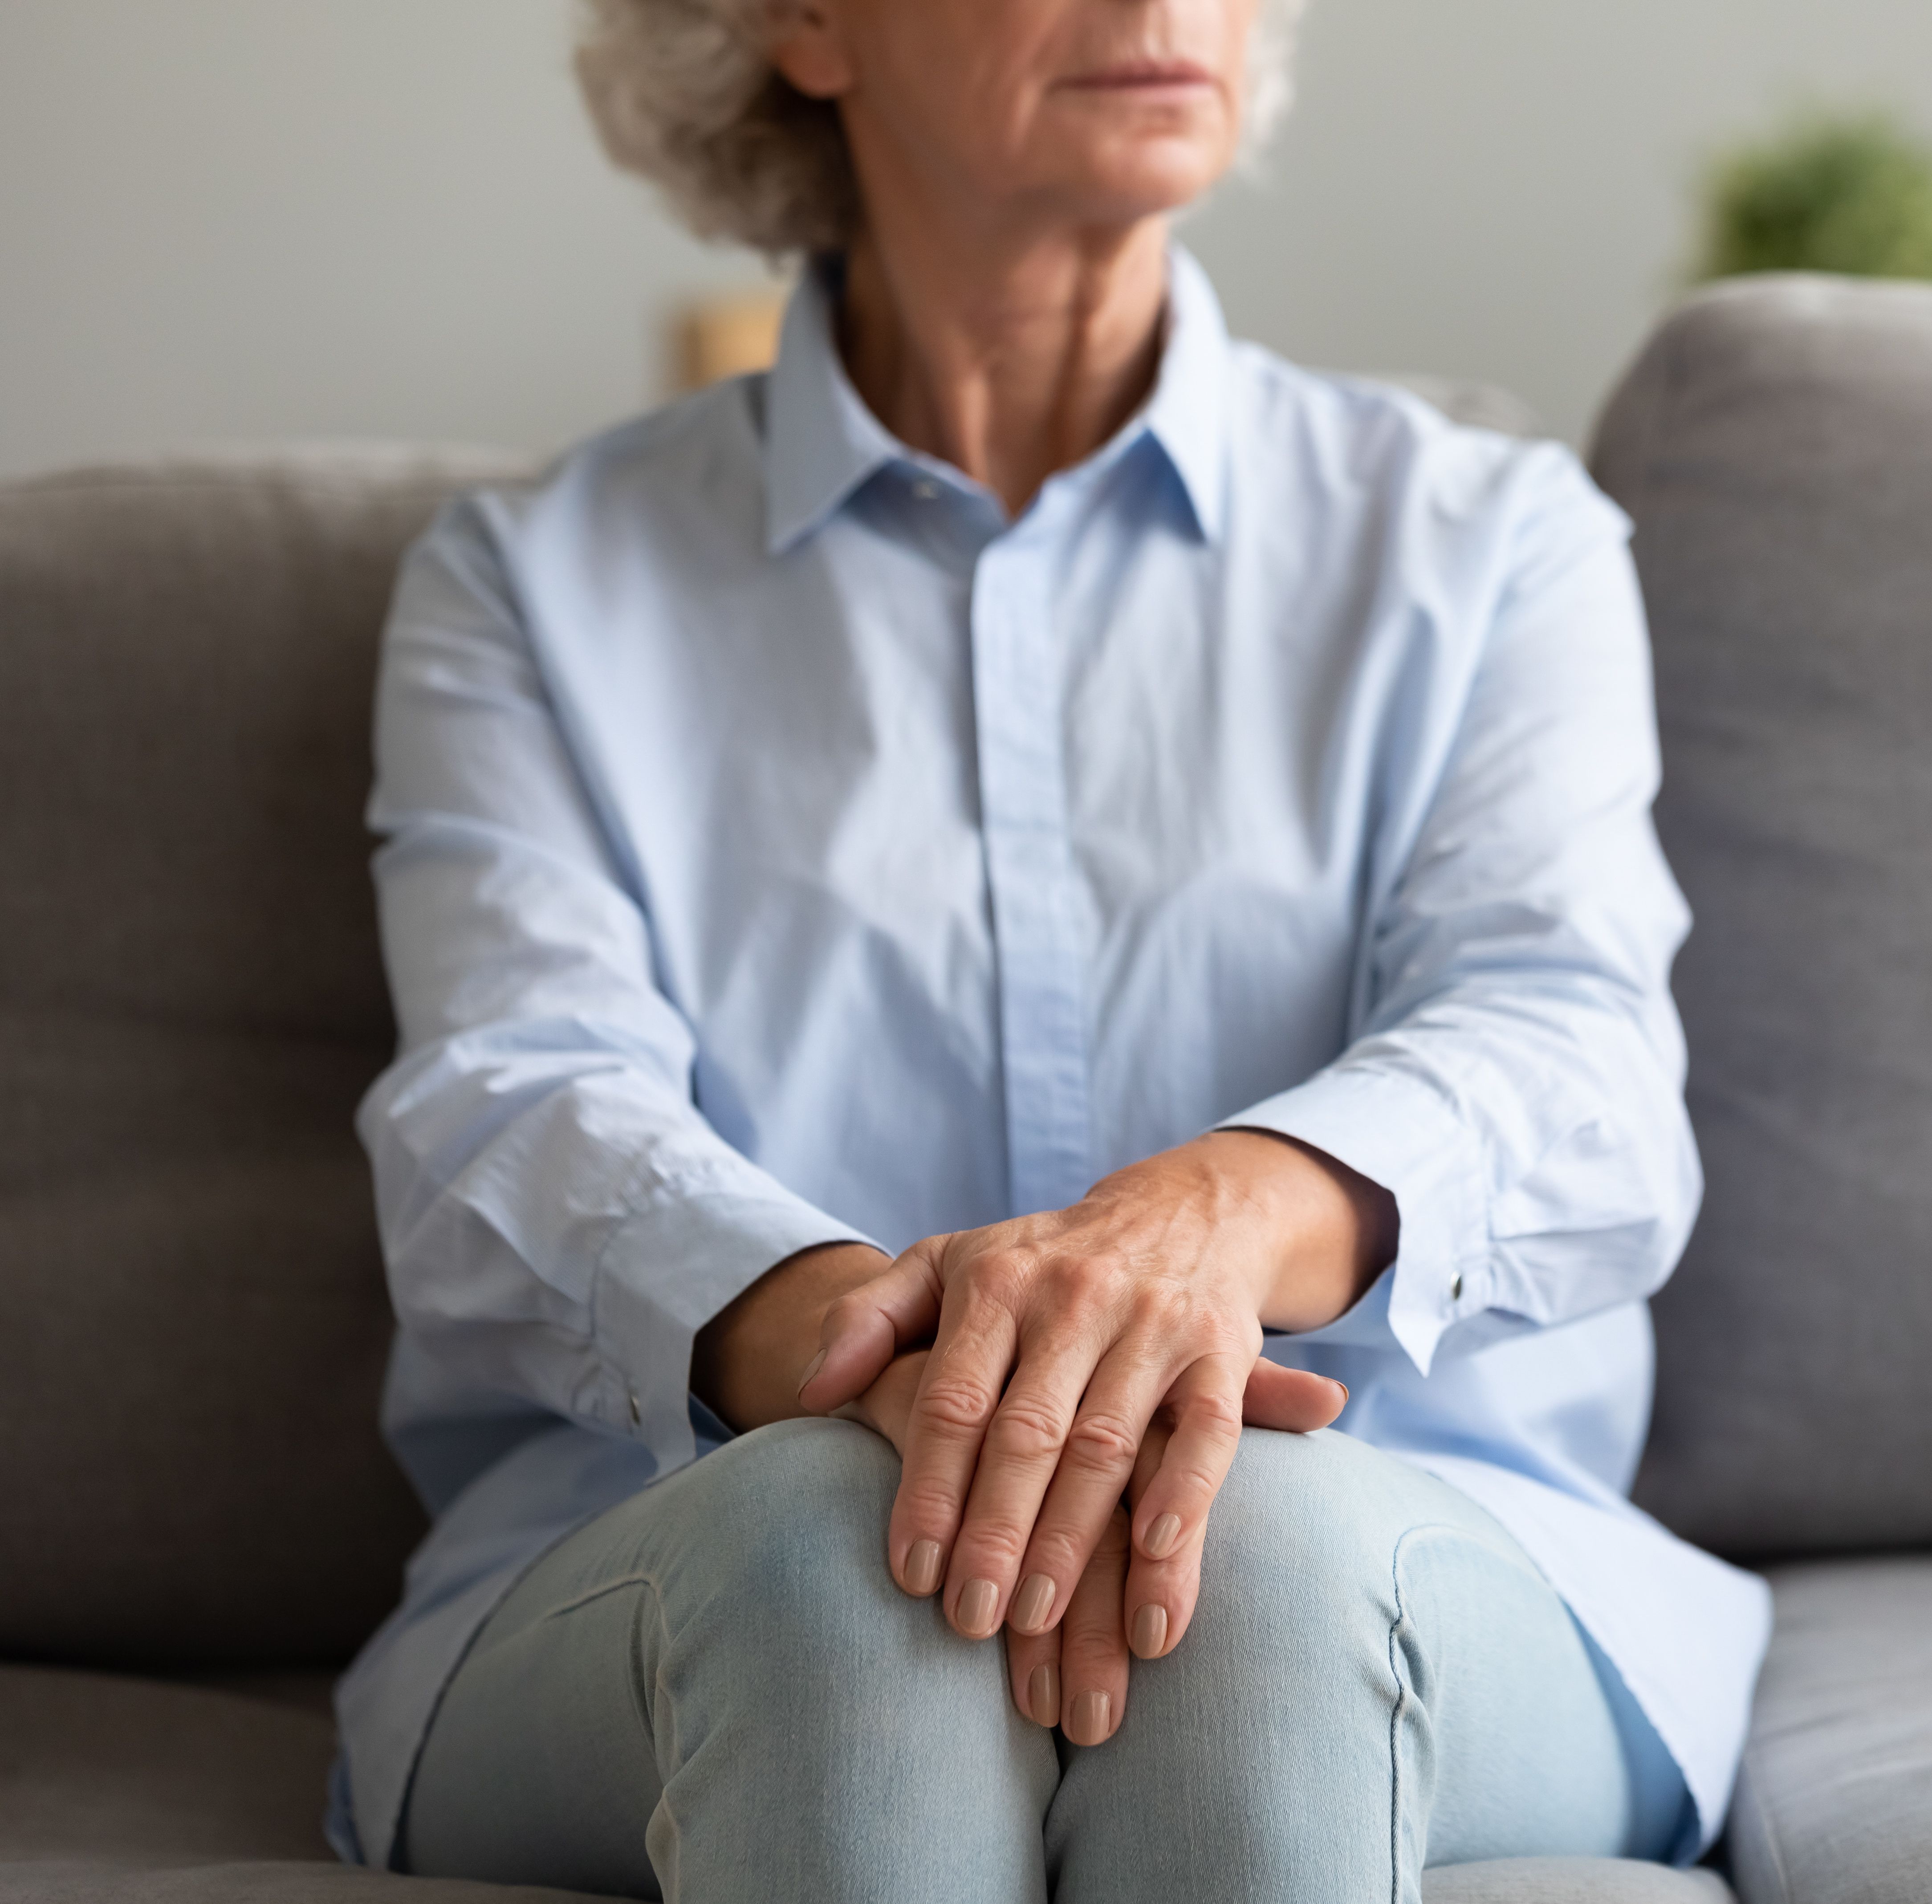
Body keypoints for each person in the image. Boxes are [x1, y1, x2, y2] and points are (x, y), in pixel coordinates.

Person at [329, 0, 1770, 1898]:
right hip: (684, 1540)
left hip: (1414, 1523)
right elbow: (510, 1104)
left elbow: (1572, 1057)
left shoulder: (1493, 543)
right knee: (833, 1556)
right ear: (804, 26)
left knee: (1243, 1551)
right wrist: (871, 1359)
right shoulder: (528, 587)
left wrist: (1213, 1227)